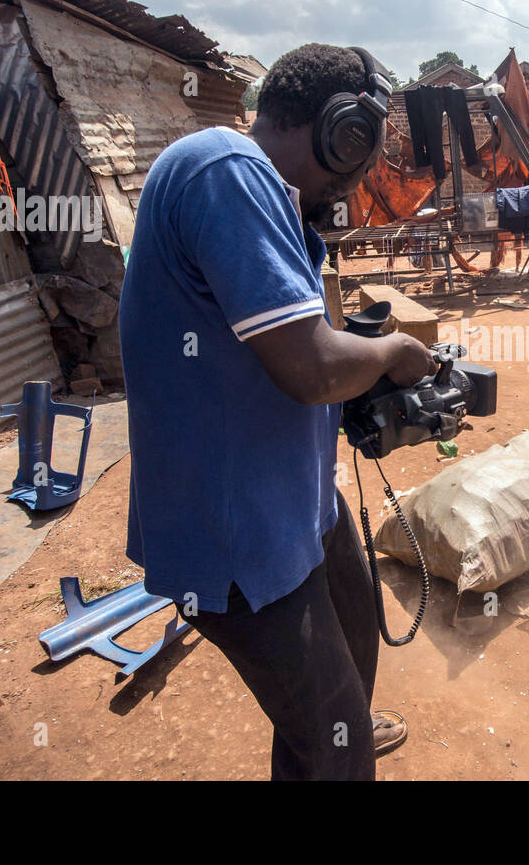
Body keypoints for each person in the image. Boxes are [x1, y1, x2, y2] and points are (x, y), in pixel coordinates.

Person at [119, 43, 437, 780]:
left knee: (352, 657)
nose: (364, 173)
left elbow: (305, 343)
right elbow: (311, 366)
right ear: (342, 134)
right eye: (365, 149)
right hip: (234, 534)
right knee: (339, 749)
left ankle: (328, 734)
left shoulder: (276, 204)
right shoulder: (226, 169)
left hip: (299, 506)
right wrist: (391, 352)